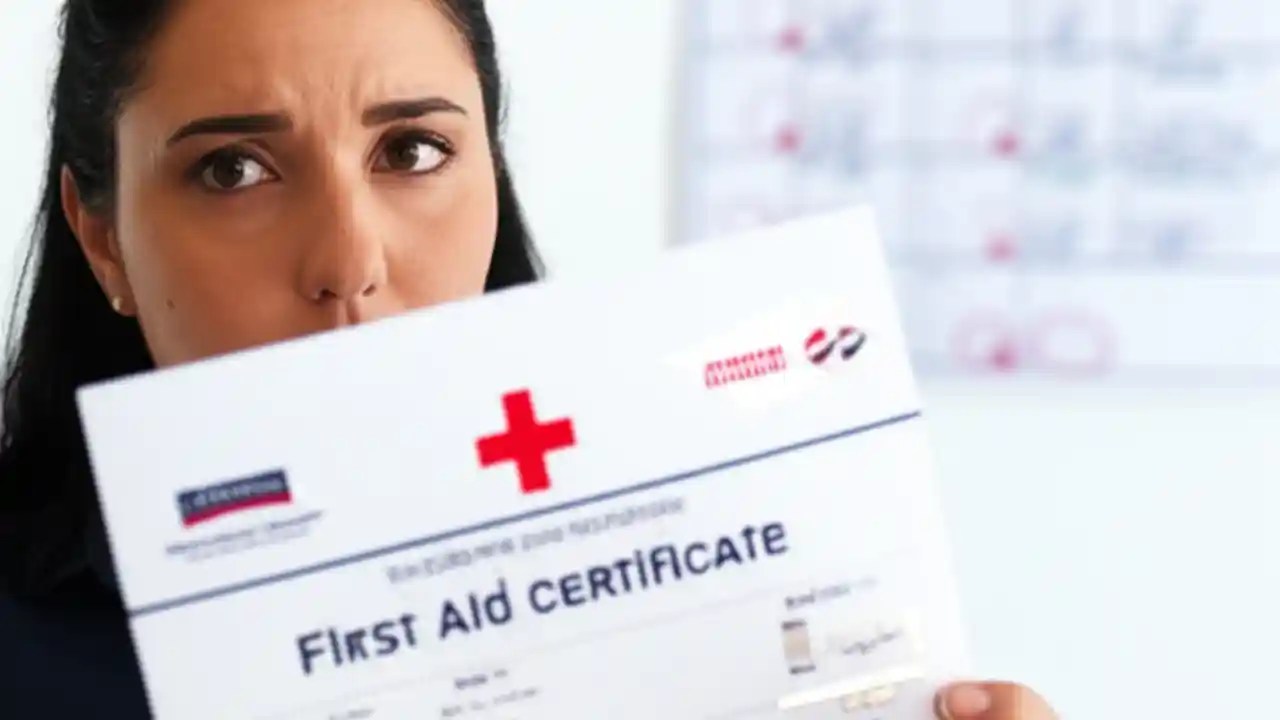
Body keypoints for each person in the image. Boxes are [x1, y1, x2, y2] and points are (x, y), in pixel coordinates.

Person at [0, 1, 1059, 718]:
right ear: (102, 234)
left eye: (411, 152)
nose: (348, 262)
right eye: (232, 170)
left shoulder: (740, 576)